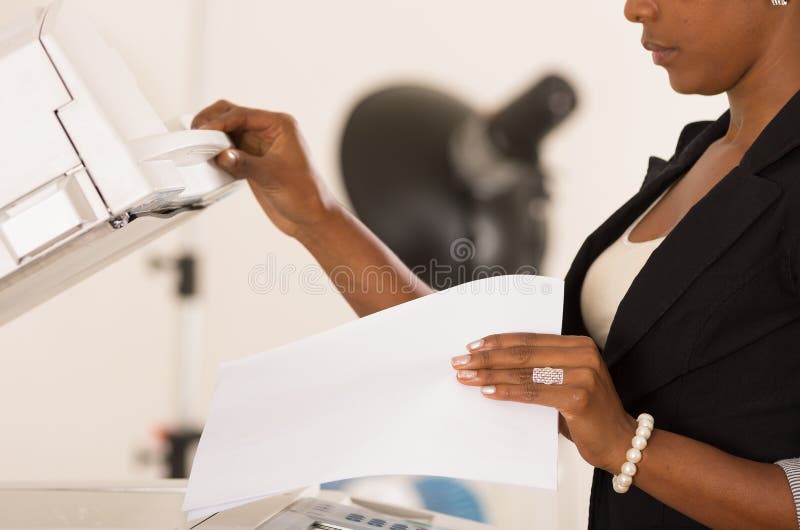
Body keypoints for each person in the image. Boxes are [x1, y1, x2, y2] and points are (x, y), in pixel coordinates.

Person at [192, 1, 800, 527]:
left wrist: (624, 446)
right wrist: (315, 216)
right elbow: (491, 364)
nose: (634, 10)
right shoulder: (704, 154)